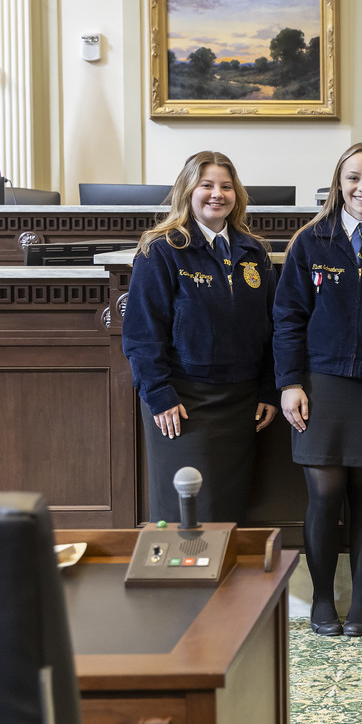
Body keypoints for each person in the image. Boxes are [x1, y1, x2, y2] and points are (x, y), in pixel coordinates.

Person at [274, 143, 362, 637]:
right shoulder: (312, 240)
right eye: (354, 178)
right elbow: (288, 319)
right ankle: (321, 600)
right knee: (325, 493)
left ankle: (361, 602)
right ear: (338, 183)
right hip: (321, 382)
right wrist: (290, 383)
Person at [123, 150, 278, 524]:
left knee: (229, 514)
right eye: (206, 185)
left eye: (226, 186)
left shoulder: (254, 251)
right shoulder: (161, 250)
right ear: (187, 190)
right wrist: (159, 395)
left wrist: (269, 389)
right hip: (182, 401)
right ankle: (182, 584)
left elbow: (272, 327)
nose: (217, 194)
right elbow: (142, 333)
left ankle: (225, 583)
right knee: (186, 512)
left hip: (240, 404)